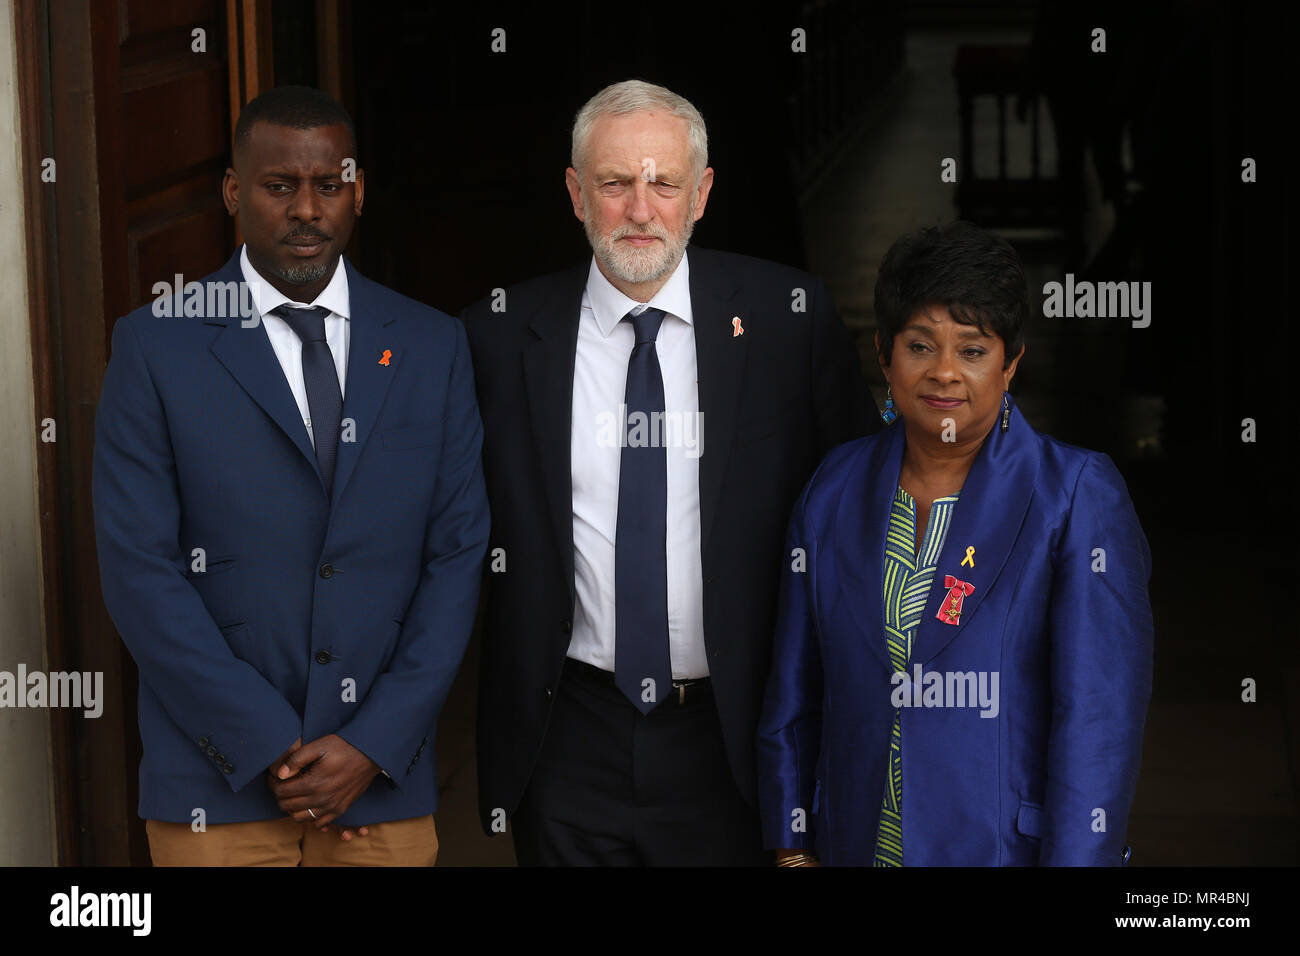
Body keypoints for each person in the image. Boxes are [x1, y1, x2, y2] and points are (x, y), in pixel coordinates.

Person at [462, 79, 876, 866]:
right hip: (566, 737)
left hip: (736, 733)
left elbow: (853, 525)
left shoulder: (790, 319)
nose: (641, 209)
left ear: (702, 194)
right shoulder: (497, 335)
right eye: (617, 184)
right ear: (577, 194)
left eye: (664, 183)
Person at [92, 86, 489, 866]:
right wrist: (274, 745)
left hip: (379, 783)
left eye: (329, 184)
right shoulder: (153, 347)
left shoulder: (431, 345)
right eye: (280, 187)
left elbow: (458, 556)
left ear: (358, 191)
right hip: (217, 786)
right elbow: (141, 572)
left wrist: (371, 743)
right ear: (236, 193)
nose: (307, 209)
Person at [757, 221, 1153, 866]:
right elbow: (794, 690)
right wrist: (790, 842)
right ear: (884, 354)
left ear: (1011, 362)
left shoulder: (1074, 495)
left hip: (999, 850)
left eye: (972, 350)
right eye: (920, 346)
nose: (944, 373)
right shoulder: (834, 487)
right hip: (855, 842)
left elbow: (1097, 720)